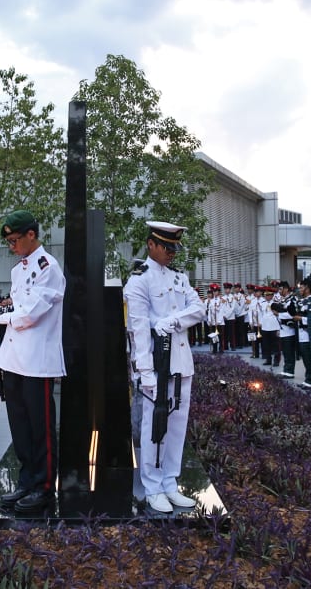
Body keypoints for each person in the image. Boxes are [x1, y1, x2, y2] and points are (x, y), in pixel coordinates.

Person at [124, 220, 206, 515]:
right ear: (151, 245)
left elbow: (199, 309)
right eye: (167, 247)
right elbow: (139, 331)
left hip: (181, 362)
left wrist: (170, 323)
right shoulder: (138, 281)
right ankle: (152, 486)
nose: (172, 252)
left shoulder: (180, 278)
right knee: (152, 427)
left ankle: (170, 482)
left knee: (176, 427)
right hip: (155, 366)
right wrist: (144, 372)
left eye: (174, 247)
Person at [0, 210, 66, 514]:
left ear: (31, 235)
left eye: (14, 240)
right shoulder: (18, 271)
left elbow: (30, 314)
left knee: (41, 427)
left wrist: (3, 317)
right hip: (13, 358)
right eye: (9, 241)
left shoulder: (48, 267)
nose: (12, 246)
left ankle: (45, 486)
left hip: (37, 359)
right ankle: (26, 480)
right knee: (20, 426)